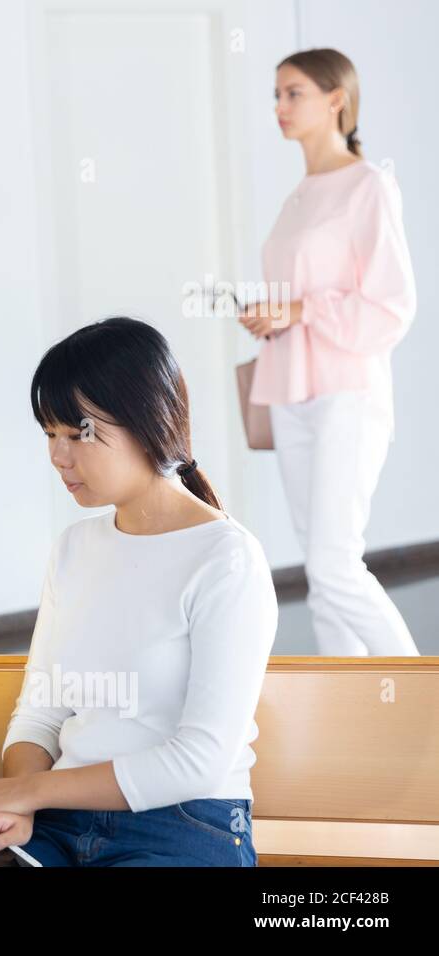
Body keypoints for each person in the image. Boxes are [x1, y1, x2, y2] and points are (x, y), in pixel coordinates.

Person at [0, 317, 277, 866]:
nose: (59, 456)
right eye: (49, 434)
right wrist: (20, 802)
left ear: (148, 420)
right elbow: (41, 713)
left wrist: (30, 793)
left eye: (77, 433)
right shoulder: (74, 548)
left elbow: (200, 758)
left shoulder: (226, 559)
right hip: (60, 824)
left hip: (185, 824)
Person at [240, 49, 417, 656]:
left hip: (347, 394)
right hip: (291, 394)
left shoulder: (368, 185)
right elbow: (300, 295)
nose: (280, 107)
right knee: (323, 573)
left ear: (335, 98)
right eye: (277, 94)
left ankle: (422, 706)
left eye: (294, 93)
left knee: (336, 566)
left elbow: (392, 304)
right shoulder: (299, 195)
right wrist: (271, 313)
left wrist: (300, 310)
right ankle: (356, 718)